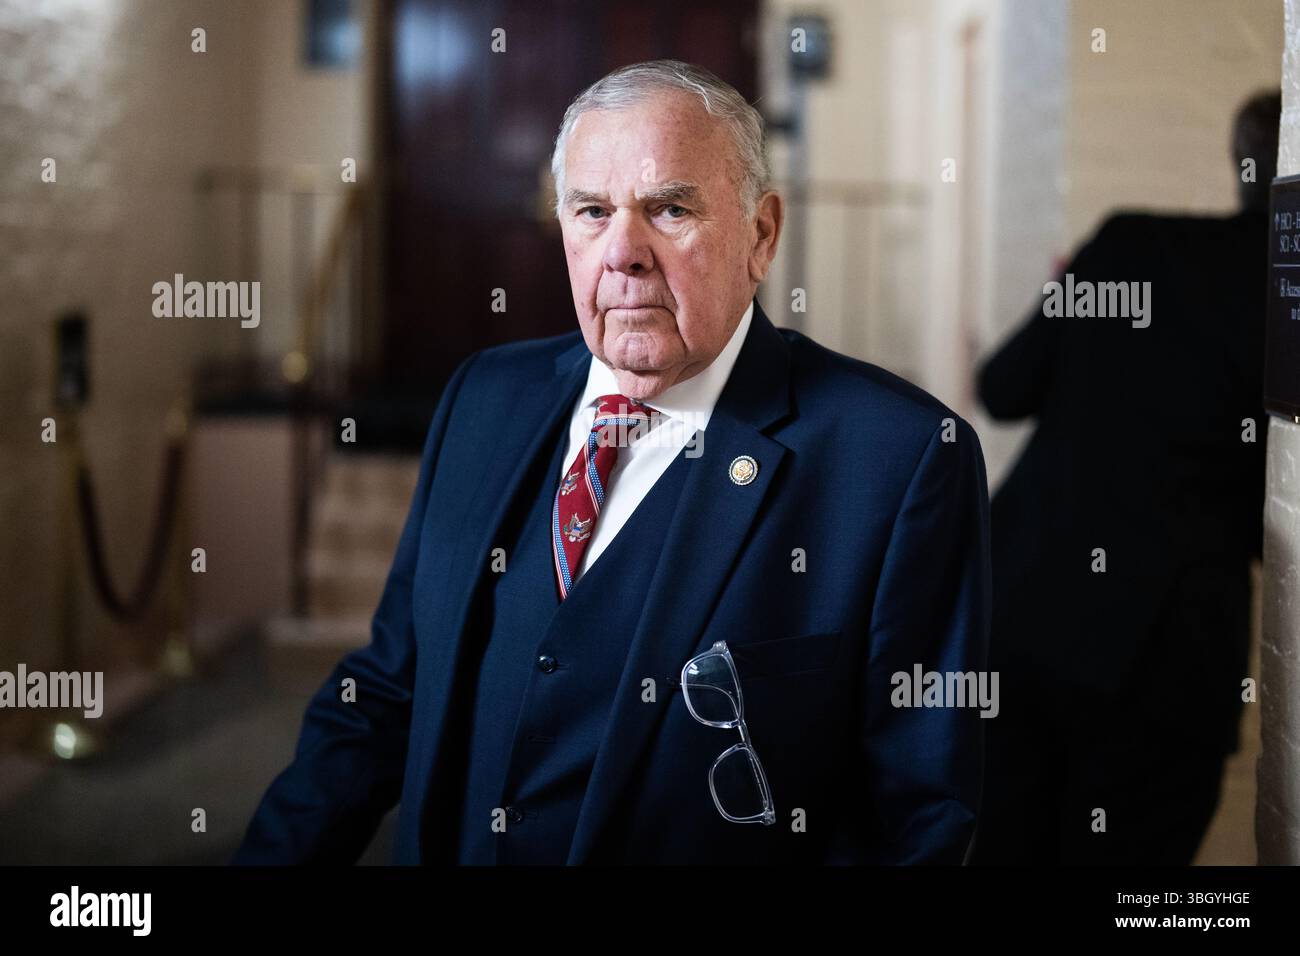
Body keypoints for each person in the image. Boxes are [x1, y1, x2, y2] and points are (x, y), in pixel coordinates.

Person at [233, 60, 990, 866]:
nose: (624, 252)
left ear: (761, 234)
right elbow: (388, 691)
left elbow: (920, 818)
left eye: (669, 209)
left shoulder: (898, 461)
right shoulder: (485, 400)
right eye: (592, 211)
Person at [970, 91, 1279, 865]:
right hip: (1173, 653)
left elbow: (1003, 388)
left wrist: (1068, 307)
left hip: (1028, 610)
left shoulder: (1127, 245)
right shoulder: (1282, 295)